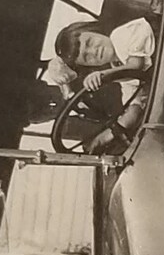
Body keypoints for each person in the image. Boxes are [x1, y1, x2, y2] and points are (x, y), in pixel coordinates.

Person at [54, 17, 156, 154]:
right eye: (86, 58)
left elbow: (136, 66)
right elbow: (134, 110)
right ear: (89, 66)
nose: (94, 51)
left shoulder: (120, 36)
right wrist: (102, 139)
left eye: (90, 42)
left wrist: (103, 75)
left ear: (95, 31)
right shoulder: (119, 72)